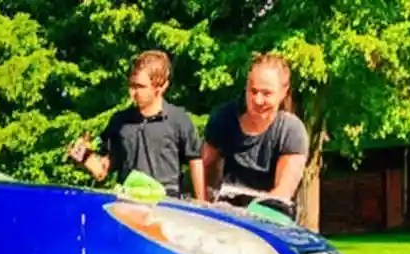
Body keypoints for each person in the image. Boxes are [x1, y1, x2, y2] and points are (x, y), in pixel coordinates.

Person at [68, 50, 206, 201]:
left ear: (160, 87)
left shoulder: (178, 119)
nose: (132, 93)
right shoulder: (120, 122)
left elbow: (196, 161)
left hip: (167, 205)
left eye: (140, 87)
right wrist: (85, 157)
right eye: (131, 85)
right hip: (128, 203)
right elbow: (102, 171)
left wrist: (201, 202)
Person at [201, 53, 309, 217]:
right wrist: (205, 201)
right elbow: (204, 168)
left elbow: (283, 192)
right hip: (224, 211)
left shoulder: (291, 131)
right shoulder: (224, 119)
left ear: (284, 92)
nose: (258, 100)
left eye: (266, 93)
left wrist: (248, 215)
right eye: (253, 91)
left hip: (270, 215)